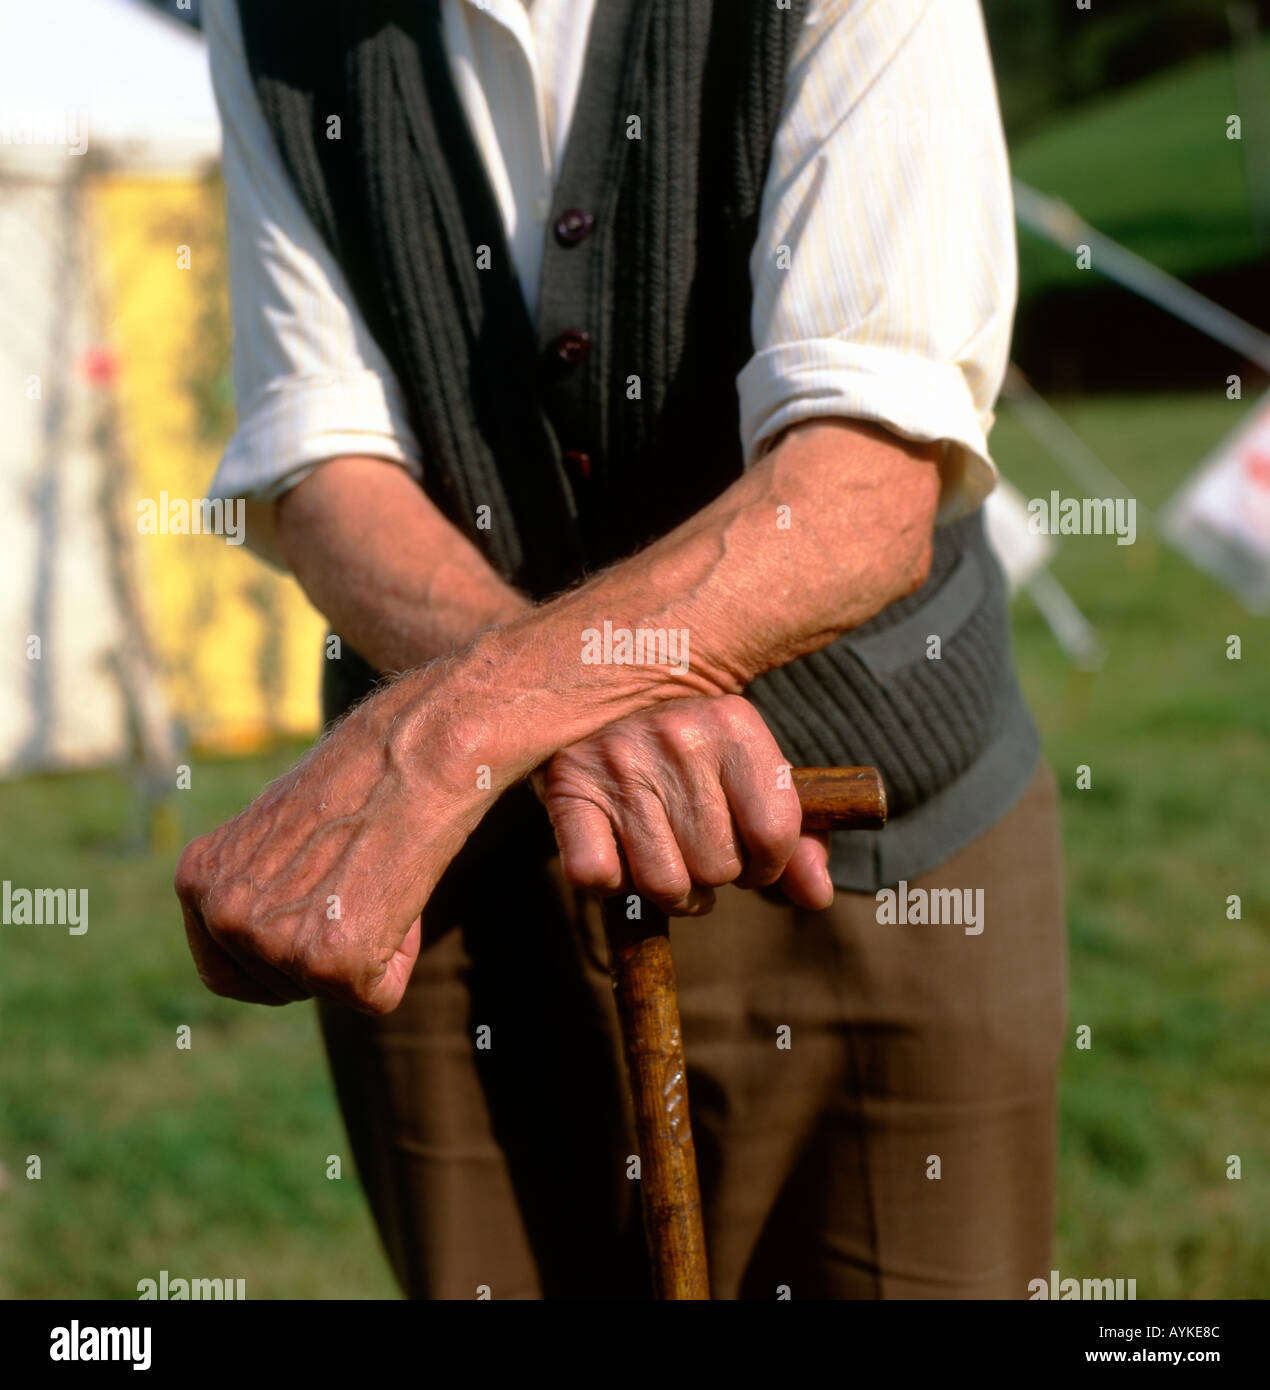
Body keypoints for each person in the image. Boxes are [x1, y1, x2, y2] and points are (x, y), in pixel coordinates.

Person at [177, 0, 1066, 1299]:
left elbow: (862, 486)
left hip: (872, 877)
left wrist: (455, 727)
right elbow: (317, 450)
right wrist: (568, 707)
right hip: (466, 906)